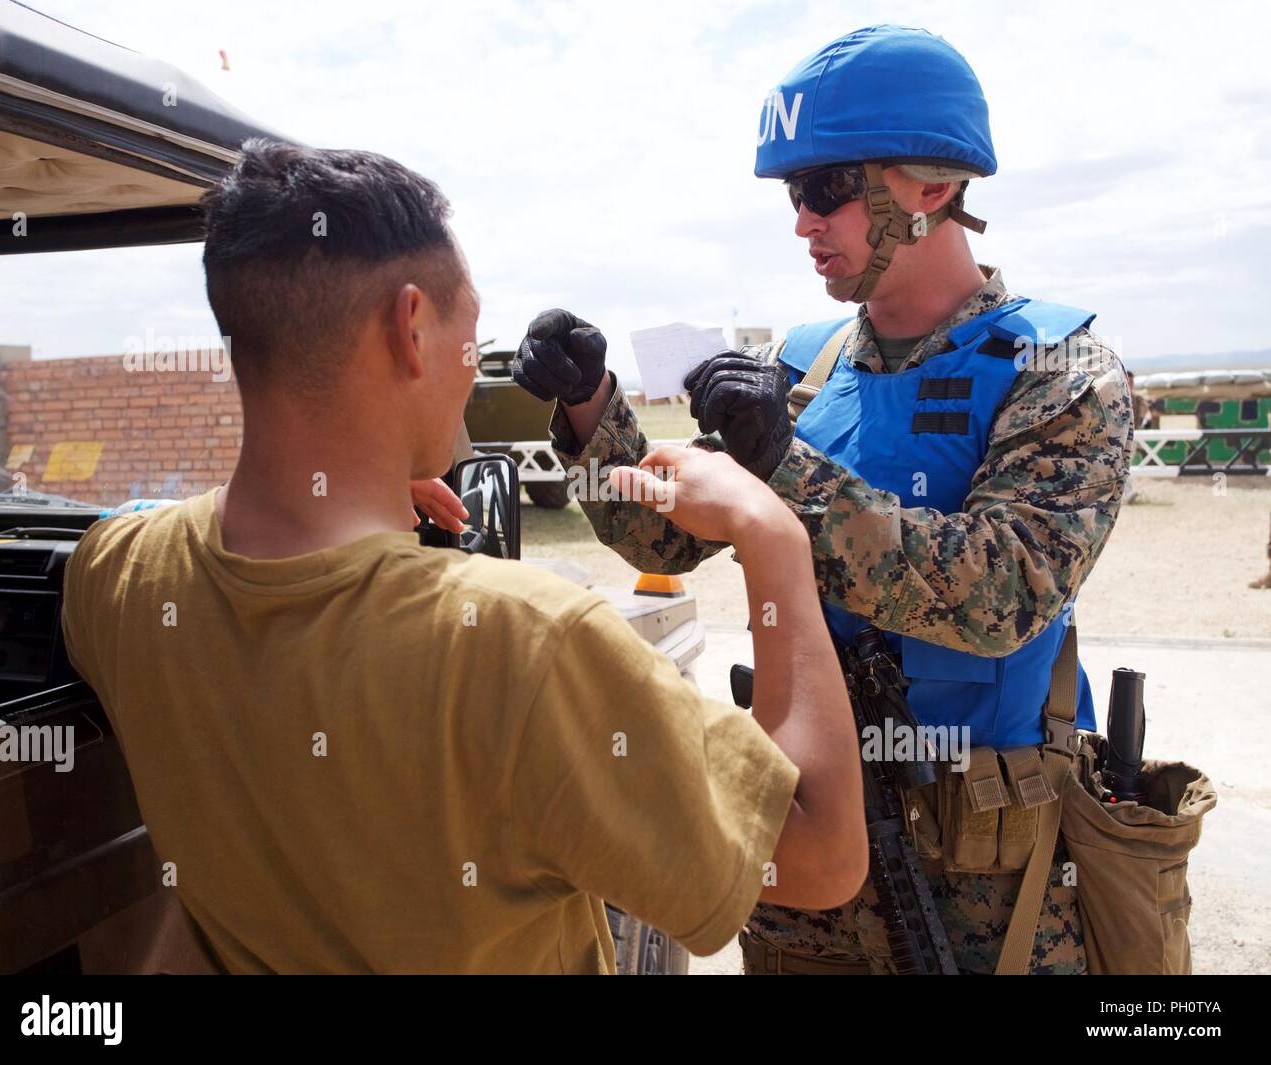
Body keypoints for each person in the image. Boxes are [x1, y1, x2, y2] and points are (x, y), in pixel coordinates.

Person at [60, 140, 867, 974]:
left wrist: (344, 497)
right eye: (468, 334)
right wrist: (771, 531)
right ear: (411, 325)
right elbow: (820, 853)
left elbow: (178, 542)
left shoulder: (118, 576)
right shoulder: (524, 643)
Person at [512, 25, 1134, 974]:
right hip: (804, 850)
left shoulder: (1058, 372)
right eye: (793, 194)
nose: (802, 220)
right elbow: (662, 541)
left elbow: (1002, 593)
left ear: (935, 189)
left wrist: (783, 470)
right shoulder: (804, 370)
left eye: (827, 190)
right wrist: (595, 408)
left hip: (981, 874)